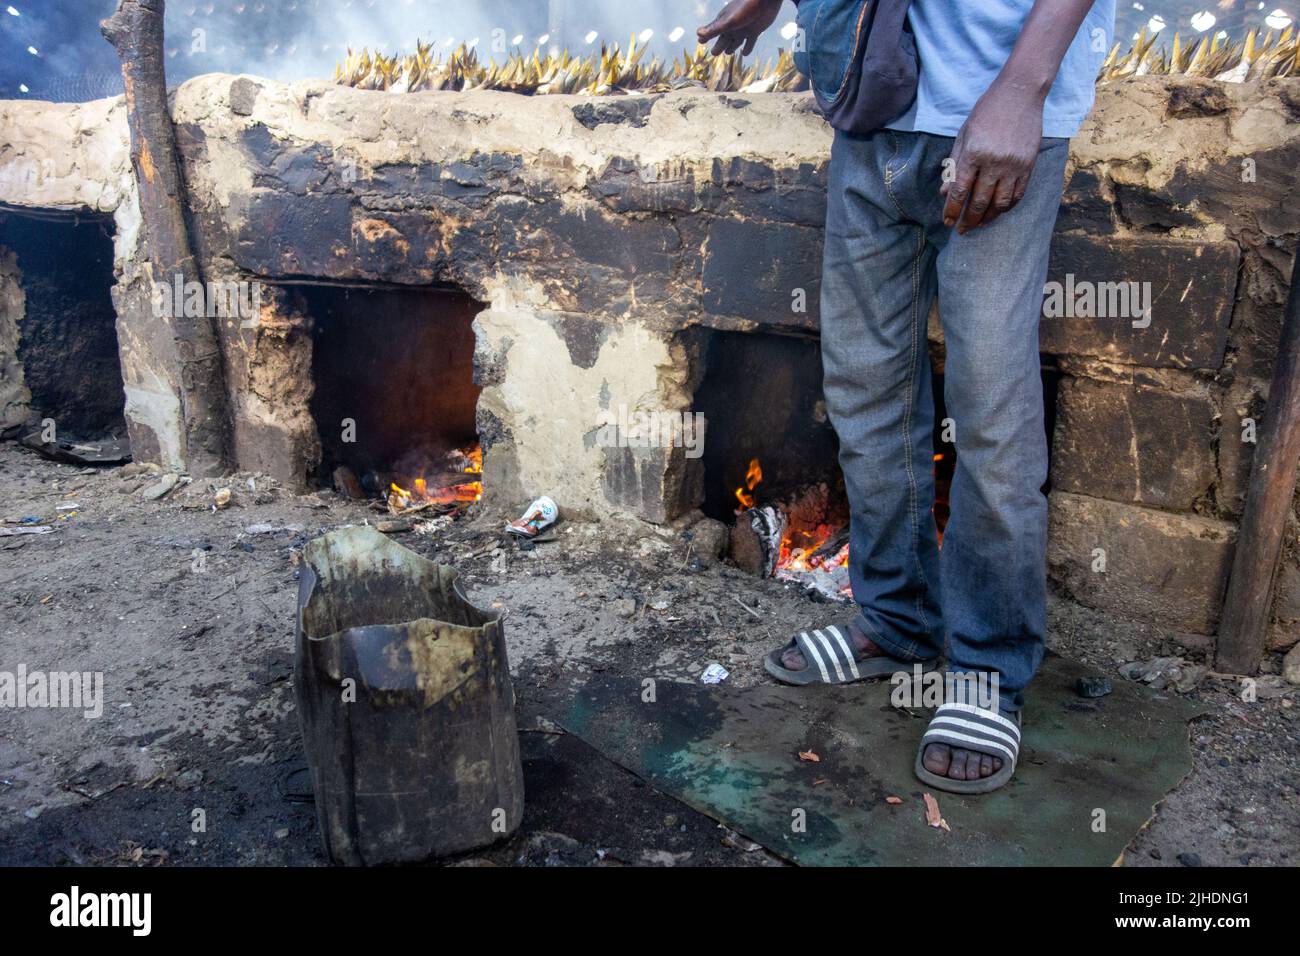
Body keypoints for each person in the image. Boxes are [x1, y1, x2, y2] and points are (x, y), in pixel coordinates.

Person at [699, 0, 1114, 793]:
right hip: (877, 100)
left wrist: (1023, 90)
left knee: (989, 407)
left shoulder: (1013, 97)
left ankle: (987, 669)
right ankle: (898, 620)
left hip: (995, 108)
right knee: (863, 388)